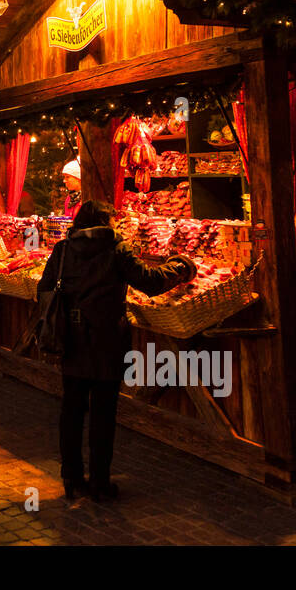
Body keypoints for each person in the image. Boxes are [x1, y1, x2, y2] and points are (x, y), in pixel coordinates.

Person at [38, 200, 195, 502]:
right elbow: (149, 282)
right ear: (106, 222)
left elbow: (43, 290)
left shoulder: (62, 250)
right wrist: (180, 267)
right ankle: (99, 483)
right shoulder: (117, 249)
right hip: (107, 338)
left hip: (70, 338)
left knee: (71, 411)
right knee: (103, 413)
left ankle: (71, 477)